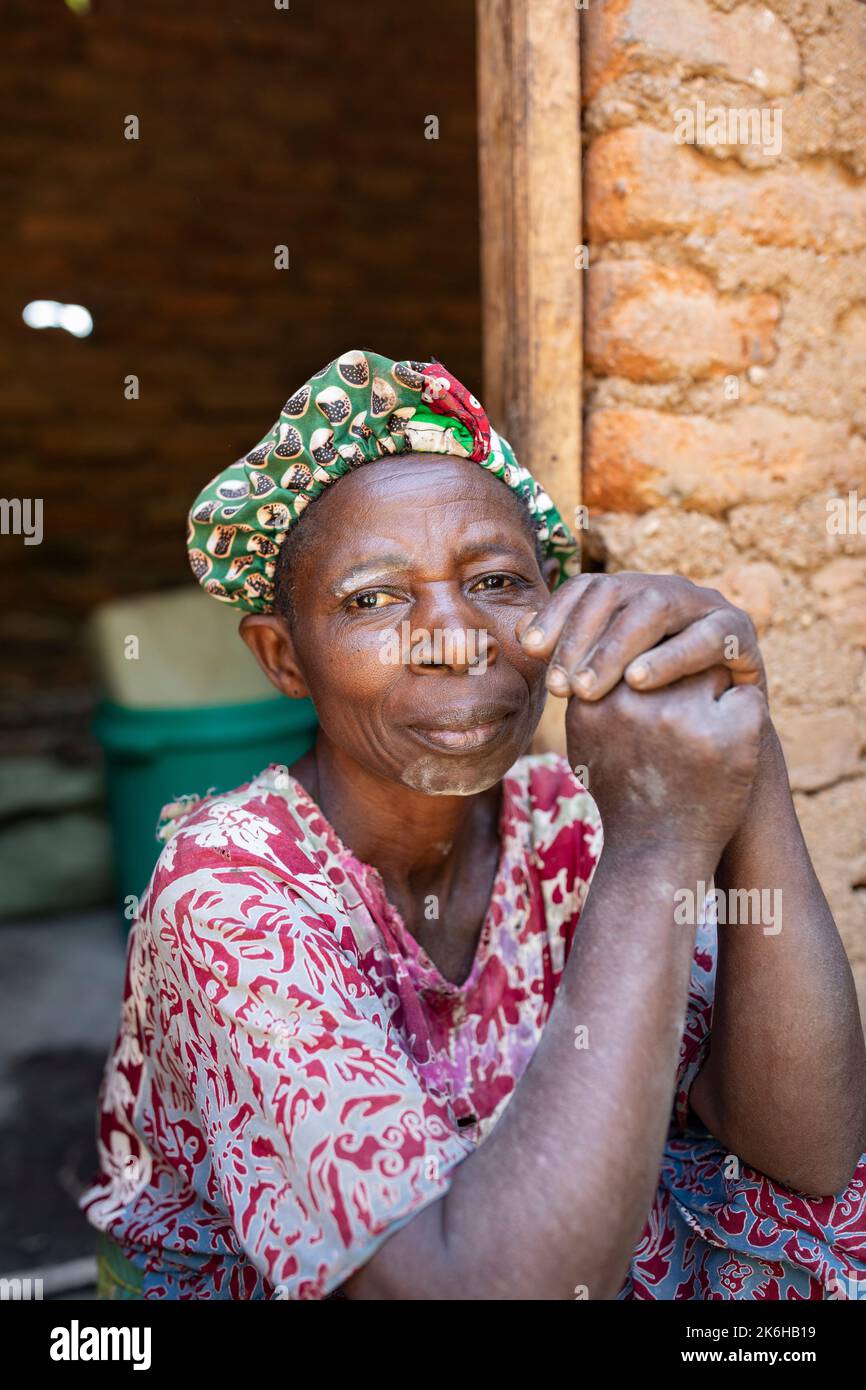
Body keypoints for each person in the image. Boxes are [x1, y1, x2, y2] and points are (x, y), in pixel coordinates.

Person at [81, 350, 866, 1300]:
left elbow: (811, 1150)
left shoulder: (570, 818)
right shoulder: (230, 891)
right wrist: (659, 849)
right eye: (373, 599)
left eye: (497, 583)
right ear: (285, 658)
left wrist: (751, 747)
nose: (455, 638)